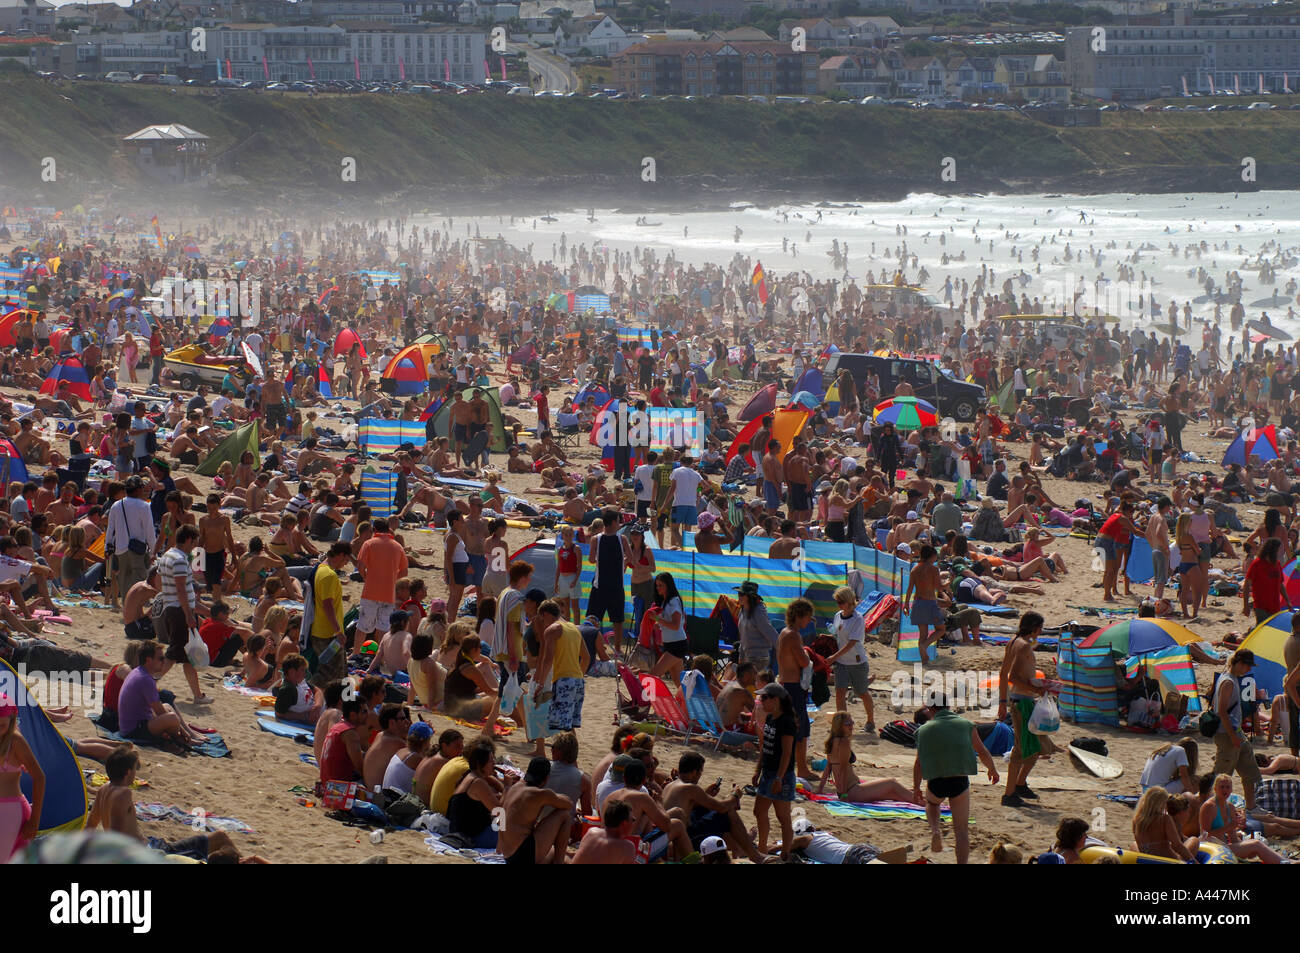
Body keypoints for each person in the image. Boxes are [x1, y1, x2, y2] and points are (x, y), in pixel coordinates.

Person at [912, 696, 998, 864]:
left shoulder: (924, 730)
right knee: (961, 831)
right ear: (948, 706)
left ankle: (936, 830)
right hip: (959, 781)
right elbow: (982, 751)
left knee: (933, 803)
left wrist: (916, 787)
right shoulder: (965, 724)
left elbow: (919, 763)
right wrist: (992, 770)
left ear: (930, 709)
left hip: (937, 781)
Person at [662, 750, 765, 863]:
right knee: (727, 812)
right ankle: (754, 855)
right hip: (684, 839)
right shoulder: (690, 788)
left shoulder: (671, 785)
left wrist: (706, 794)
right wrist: (735, 795)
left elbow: (689, 804)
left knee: (710, 812)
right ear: (694, 772)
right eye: (700, 773)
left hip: (671, 835)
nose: (699, 777)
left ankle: (739, 847)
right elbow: (722, 807)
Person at [997, 611, 1056, 807]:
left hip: (1020, 700)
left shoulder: (1014, 642)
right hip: (1022, 702)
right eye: (1040, 627)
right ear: (1033, 627)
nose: (1041, 631)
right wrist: (1037, 689)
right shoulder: (1022, 646)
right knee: (1022, 750)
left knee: (1035, 747)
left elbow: (1004, 672)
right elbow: (1012, 676)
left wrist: (1002, 702)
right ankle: (1009, 793)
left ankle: (1019, 784)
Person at [155, 524, 210, 704]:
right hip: (179, 610)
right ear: (188, 539)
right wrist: (188, 614)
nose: (195, 547)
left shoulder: (167, 555)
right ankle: (149, 681)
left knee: (188, 656)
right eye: (194, 542)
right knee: (173, 653)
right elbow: (181, 589)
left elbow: (161, 583)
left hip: (172, 607)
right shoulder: (179, 559)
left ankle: (198, 695)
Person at [817, 711, 917, 803]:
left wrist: (820, 789)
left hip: (851, 790)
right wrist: (844, 795)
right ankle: (921, 802)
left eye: (852, 722)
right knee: (892, 783)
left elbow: (828, 767)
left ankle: (915, 798)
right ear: (839, 726)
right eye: (847, 724)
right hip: (853, 791)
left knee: (893, 792)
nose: (851, 726)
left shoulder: (833, 741)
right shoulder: (843, 742)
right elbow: (842, 769)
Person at [1211, 649, 1264, 811]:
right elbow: (1222, 711)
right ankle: (1210, 807)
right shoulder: (1228, 682)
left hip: (1236, 733)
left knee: (1251, 772)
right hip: (1227, 734)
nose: (1249, 670)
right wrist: (1233, 735)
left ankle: (1252, 807)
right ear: (1240, 664)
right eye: (1247, 666)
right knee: (1221, 775)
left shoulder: (1231, 678)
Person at [497, 756, 574, 865]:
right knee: (564, 815)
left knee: (554, 851)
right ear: (547, 778)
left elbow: (499, 814)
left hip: (507, 854)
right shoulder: (539, 794)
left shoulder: (515, 787)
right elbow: (568, 804)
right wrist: (554, 796)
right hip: (522, 855)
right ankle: (559, 862)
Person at [752, 683, 797, 860]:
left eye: (764, 698)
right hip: (768, 773)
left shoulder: (786, 722)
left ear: (775, 700)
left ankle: (785, 854)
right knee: (759, 811)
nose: (761, 701)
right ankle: (762, 849)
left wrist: (779, 778)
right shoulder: (771, 718)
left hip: (781, 776)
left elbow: (787, 753)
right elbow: (765, 748)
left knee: (783, 816)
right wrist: (758, 770)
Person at [1199, 772, 1284, 863]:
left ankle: (1283, 860)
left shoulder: (1230, 807)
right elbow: (1205, 835)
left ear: (1231, 790)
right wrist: (1228, 828)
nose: (1225, 790)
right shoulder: (1209, 806)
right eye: (1222, 787)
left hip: (1225, 846)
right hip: (1212, 849)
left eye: (1228, 787)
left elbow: (1232, 836)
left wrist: (1242, 845)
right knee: (1256, 844)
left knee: (1254, 843)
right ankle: (1285, 862)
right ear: (1215, 789)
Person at [0, 691, 43, 861]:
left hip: (11, 811)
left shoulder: (15, 742)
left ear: (12, 721)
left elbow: (39, 777)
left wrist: (35, 820)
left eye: (1, 725)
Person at [356, 517, 408, 653]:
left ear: (374, 530)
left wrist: (367, 577)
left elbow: (360, 566)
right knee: (383, 628)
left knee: (363, 626)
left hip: (370, 592)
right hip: (388, 593)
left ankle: (355, 653)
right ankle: (380, 657)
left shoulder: (369, 544)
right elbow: (404, 571)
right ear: (389, 529)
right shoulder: (397, 546)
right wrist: (391, 579)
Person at [826, 586, 873, 731]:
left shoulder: (858, 619)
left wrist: (833, 657)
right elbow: (838, 636)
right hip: (841, 662)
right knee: (840, 693)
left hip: (856, 662)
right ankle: (843, 722)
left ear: (849, 601)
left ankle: (870, 720)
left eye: (841, 601)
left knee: (862, 692)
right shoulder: (838, 615)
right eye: (837, 602)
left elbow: (851, 643)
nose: (839, 604)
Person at [447, 737, 508, 850]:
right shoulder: (478, 783)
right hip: (473, 837)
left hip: (459, 831)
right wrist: (507, 788)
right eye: (490, 761)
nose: (494, 763)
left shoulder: (468, 776)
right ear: (480, 764)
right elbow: (499, 811)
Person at [776, 598, 814, 779]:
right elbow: (803, 661)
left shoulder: (784, 632)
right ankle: (802, 769)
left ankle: (798, 768)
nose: (809, 621)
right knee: (800, 728)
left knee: (796, 726)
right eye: (808, 617)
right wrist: (807, 654)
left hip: (785, 683)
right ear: (800, 616)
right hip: (793, 686)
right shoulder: (793, 635)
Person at [1131, 786, 1198, 862]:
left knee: (1134, 844)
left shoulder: (1136, 820)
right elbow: (1177, 845)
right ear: (1161, 804)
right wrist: (1194, 861)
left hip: (1147, 861)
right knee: (1194, 840)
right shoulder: (1164, 819)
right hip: (1167, 861)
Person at [1243, 536, 1292, 626]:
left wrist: (1287, 601)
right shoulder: (1257, 564)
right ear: (1271, 550)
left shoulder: (1277, 564)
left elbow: (1280, 584)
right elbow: (1246, 585)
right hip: (1261, 606)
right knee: (1262, 627)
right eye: (1277, 550)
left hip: (1275, 605)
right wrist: (1246, 605)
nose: (1278, 553)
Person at [572, 800, 639, 865]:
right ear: (624, 823)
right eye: (633, 820)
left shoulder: (591, 832)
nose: (633, 822)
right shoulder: (627, 847)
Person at [319, 699, 367, 785]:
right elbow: (360, 767)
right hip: (337, 787)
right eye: (364, 711)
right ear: (353, 715)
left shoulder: (338, 726)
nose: (367, 715)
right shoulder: (350, 733)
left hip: (326, 781)